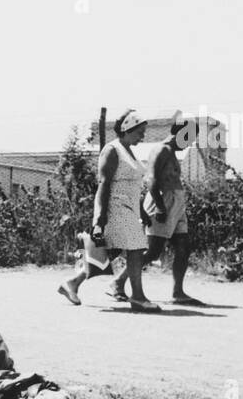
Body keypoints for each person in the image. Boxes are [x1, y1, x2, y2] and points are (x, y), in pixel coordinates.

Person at [58, 109, 160, 312]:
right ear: (127, 128)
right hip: (115, 208)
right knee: (135, 249)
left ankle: (72, 284)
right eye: (140, 131)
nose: (143, 136)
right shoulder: (112, 150)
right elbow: (104, 184)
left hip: (129, 209)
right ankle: (138, 297)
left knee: (110, 252)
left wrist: (142, 211)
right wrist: (99, 218)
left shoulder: (128, 150)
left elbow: (131, 187)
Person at [108, 114, 203, 305]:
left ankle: (178, 293)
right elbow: (151, 180)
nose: (190, 142)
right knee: (152, 252)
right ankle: (118, 282)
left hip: (177, 204)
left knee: (183, 247)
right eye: (189, 137)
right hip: (162, 203)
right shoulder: (161, 150)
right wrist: (160, 208)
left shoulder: (172, 152)